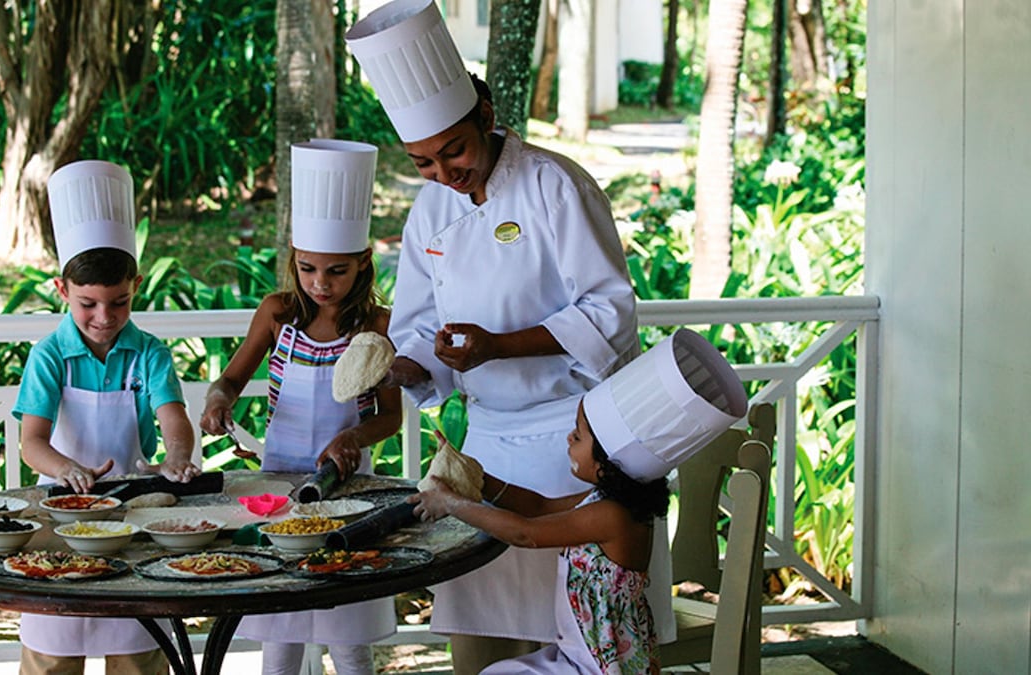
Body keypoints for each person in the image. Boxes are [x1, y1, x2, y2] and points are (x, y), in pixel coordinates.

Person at [346, 2, 671, 672]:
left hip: (573, 446)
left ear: (486, 119)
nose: (443, 173)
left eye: (454, 151)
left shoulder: (556, 186)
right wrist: (398, 371)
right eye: (423, 162)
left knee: (578, 639)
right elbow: (414, 332)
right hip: (484, 452)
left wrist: (499, 345)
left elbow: (611, 313)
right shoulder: (430, 210)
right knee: (483, 644)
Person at [410, 329, 749, 675]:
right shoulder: (606, 501)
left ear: (608, 462)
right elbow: (538, 506)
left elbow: (525, 533)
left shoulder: (613, 516)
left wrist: (452, 504)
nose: (570, 437)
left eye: (580, 434)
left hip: (604, 667)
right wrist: (478, 479)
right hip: (580, 655)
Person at [199, 139, 400, 675]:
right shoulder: (277, 313)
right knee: (280, 630)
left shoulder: (377, 326)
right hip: (279, 487)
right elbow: (232, 377)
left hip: (346, 488)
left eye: (336, 271)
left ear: (362, 263)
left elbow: (392, 415)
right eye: (308, 268)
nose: (320, 284)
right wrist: (219, 401)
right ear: (293, 258)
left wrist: (353, 439)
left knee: (349, 637)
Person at [13, 160, 201, 675]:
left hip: (132, 517)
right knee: (53, 656)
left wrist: (179, 458)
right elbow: (32, 441)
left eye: (119, 302)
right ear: (61, 290)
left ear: (136, 285)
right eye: (88, 304)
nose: (104, 318)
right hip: (59, 518)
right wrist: (66, 470)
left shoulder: (150, 353)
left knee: (138, 657)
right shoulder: (50, 355)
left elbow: (173, 417)